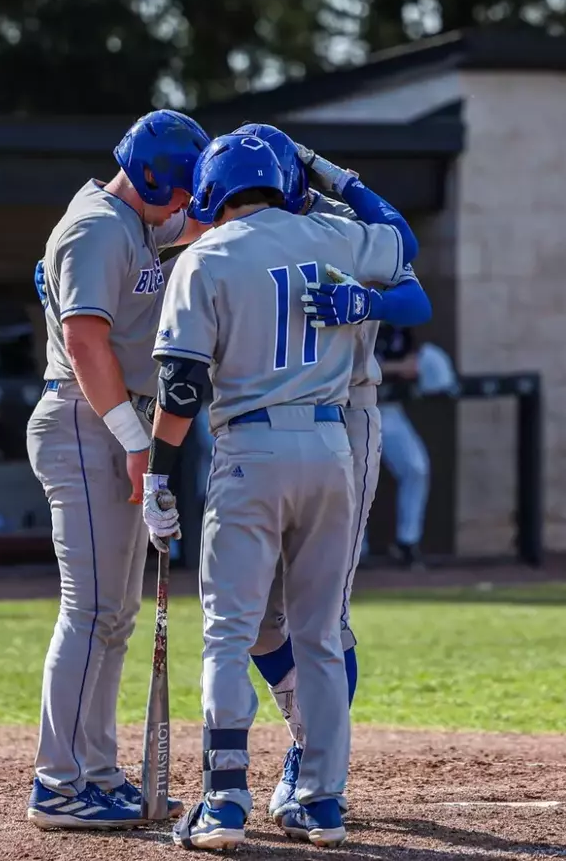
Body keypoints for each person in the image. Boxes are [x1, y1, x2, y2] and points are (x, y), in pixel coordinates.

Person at [144, 132, 419, 851]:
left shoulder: (202, 257)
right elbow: (400, 237)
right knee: (321, 634)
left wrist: (158, 476)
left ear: (213, 194)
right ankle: (321, 803)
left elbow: (181, 387)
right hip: (333, 445)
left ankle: (225, 799)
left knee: (229, 632)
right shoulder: (332, 234)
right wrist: (339, 173)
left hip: (251, 449)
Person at [228, 123, 433, 822]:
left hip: (348, 414)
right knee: (254, 619)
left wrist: (367, 300)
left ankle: (311, 767)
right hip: (261, 426)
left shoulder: (343, 224)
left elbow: (415, 291)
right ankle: (310, 739)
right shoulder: (244, 229)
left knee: (322, 615)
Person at [24, 109, 207, 831]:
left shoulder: (138, 221)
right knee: (91, 609)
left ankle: (95, 772)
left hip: (109, 419)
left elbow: (199, 232)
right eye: (184, 189)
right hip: (85, 417)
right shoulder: (97, 227)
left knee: (115, 615)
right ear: (156, 178)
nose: (188, 204)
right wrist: (139, 442)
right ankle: (58, 782)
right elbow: (85, 341)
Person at [373, 323, 432, 569]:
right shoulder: (350, 306)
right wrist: (395, 367)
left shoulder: (399, 326)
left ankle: (407, 543)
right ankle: (355, 550)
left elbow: (413, 361)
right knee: (350, 478)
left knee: (416, 468)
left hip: (388, 409)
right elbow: (353, 365)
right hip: (348, 408)